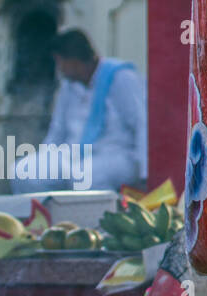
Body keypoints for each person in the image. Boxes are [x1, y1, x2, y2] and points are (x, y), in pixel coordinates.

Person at [12, 29, 147, 193]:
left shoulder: (122, 77)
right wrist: (44, 159)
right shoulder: (69, 85)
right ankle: (43, 217)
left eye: (60, 62)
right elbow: (58, 130)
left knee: (84, 177)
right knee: (23, 171)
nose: (59, 68)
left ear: (75, 61)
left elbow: (142, 124)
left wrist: (145, 174)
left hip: (116, 154)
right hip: (73, 154)